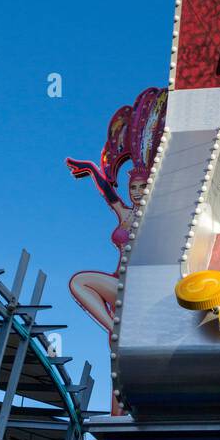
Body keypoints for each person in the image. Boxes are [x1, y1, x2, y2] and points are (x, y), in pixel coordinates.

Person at [67, 88, 167, 334]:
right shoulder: (125, 213)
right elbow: (108, 192)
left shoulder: (161, 212)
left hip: (148, 286)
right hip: (122, 284)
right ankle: (115, 329)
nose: (136, 191)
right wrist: (91, 168)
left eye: (143, 186)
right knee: (79, 282)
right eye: (133, 187)